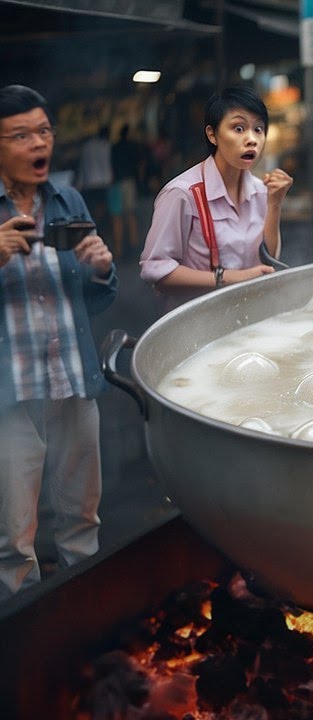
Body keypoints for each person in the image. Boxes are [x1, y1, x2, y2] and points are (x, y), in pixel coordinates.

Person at [0, 85, 117, 601]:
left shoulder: (68, 200)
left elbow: (94, 299)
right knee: (14, 533)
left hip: (72, 378)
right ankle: (23, 632)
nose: (37, 144)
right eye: (20, 135)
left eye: (43, 132)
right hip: (11, 394)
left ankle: (84, 614)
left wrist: (101, 270)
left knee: (81, 518)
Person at [139, 86, 292, 314]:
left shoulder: (261, 191)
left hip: (247, 315)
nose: (251, 139)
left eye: (258, 129)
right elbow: (157, 271)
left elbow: (268, 261)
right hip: (196, 323)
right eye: (238, 128)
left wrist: (275, 203)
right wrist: (229, 278)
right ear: (212, 134)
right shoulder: (183, 193)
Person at [108, 123, 145, 256]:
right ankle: (134, 245)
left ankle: (118, 249)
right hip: (129, 182)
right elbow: (139, 164)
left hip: (116, 183)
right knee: (131, 214)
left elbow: (111, 167)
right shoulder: (133, 146)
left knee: (117, 217)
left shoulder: (114, 147)